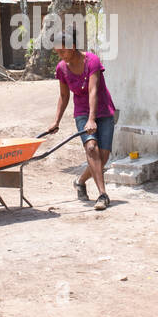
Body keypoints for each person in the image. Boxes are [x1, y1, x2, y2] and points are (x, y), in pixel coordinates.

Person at [47, 46, 118, 211]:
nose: (60, 55)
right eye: (57, 52)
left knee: (103, 157)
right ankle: (102, 195)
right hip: (82, 112)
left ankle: (79, 182)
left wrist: (92, 119)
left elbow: (93, 90)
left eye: (62, 51)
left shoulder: (92, 60)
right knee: (92, 148)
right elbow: (64, 96)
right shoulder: (62, 68)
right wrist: (56, 121)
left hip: (103, 110)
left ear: (72, 48)